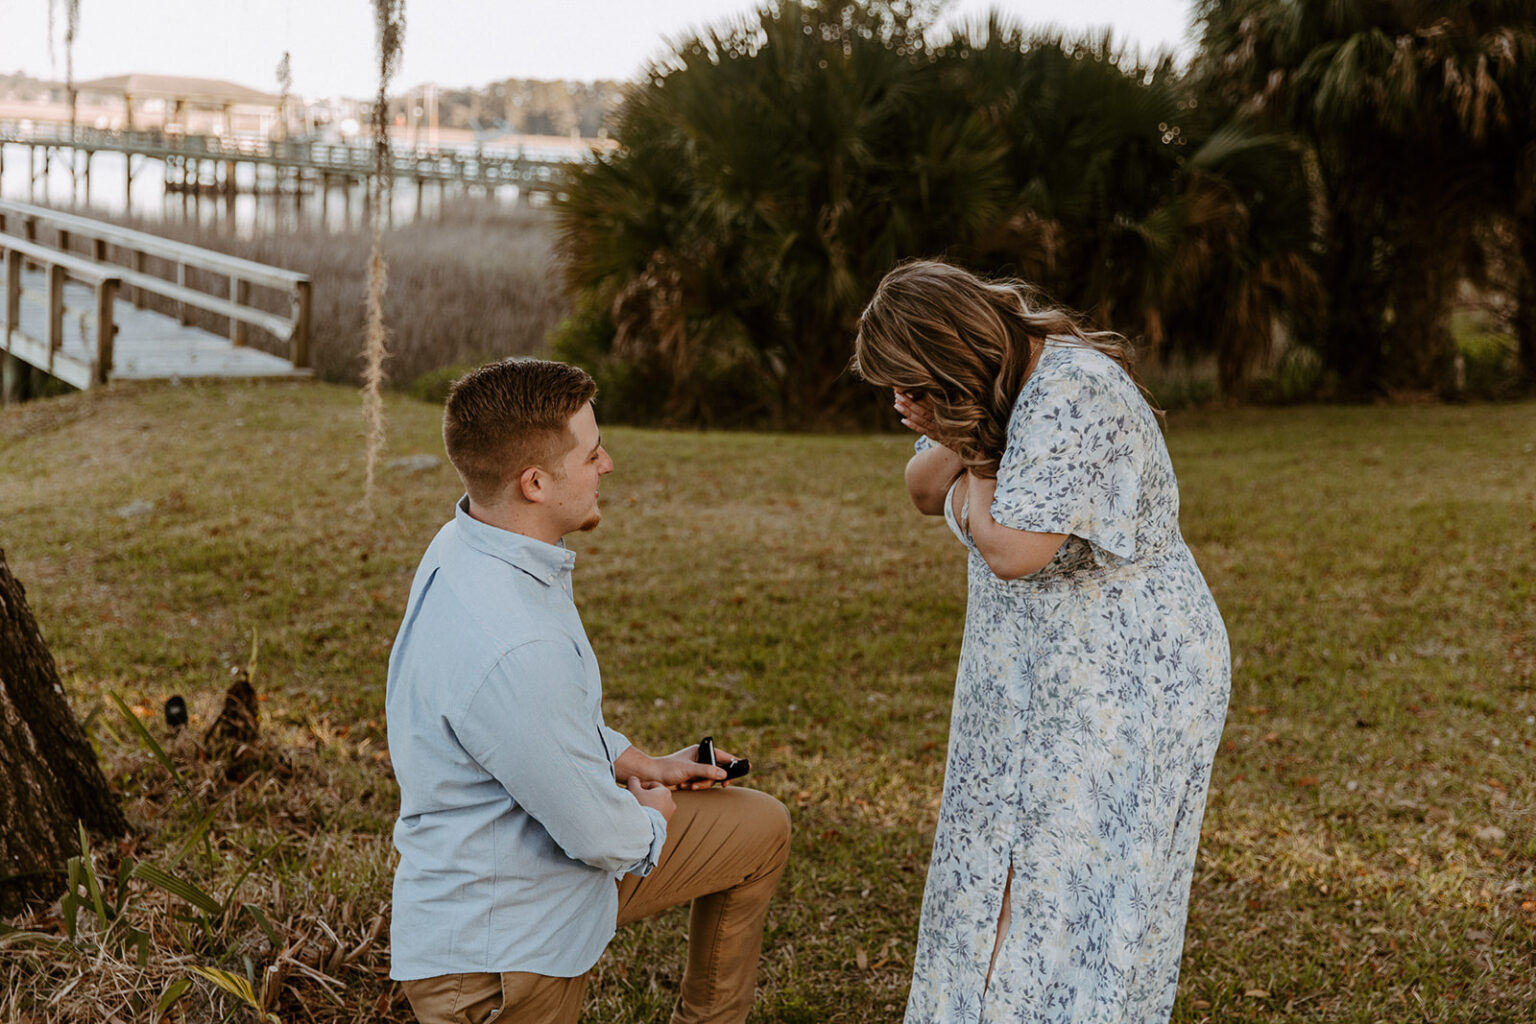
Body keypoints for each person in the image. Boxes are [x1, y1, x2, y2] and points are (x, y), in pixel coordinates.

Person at [852, 260, 1231, 1023]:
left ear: (954, 365)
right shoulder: (1004, 390)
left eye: (912, 386)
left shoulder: (1071, 391)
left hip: (1124, 672)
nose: (901, 404)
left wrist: (973, 456)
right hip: (1029, 667)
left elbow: (1013, 550)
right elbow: (923, 490)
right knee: (990, 865)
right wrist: (963, 441)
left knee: (1064, 888)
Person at [385, 357, 791, 1024]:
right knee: (637, 828)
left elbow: (523, 726)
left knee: (758, 829)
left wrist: (640, 765)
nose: (608, 465)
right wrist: (652, 812)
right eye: (593, 453)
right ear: (536, 482)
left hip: (544, 866)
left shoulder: (471, 540)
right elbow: (602, 835)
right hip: (497, 954)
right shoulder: (513, 643)